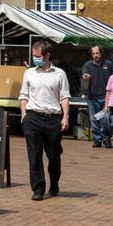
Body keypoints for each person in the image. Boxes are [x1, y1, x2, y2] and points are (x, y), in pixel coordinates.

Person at [19, 39, 70, 201]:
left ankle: (54, 182)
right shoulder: (29, 73)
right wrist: (23, 114)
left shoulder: (59, 73)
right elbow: (23, 95)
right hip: (33, 117)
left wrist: (66, 116)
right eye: (34, 56)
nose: (35, 58)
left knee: (54, 155)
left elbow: (64, 96)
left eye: (38, 56)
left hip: (53, 118)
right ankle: (38, 188)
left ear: (47, 55)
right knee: (34, 155)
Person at [81, 45, 113, 149]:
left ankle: (106, 138)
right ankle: (97, 139)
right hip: (92, 97)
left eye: (97, 53)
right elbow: (83, 79)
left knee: (106, 119)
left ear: (101, 53)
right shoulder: (87, 65)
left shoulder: (108, 64)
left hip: (106, 97)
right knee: (94, 119)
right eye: (93, 53)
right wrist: (85, 78)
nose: (95, 55)